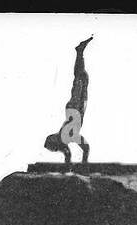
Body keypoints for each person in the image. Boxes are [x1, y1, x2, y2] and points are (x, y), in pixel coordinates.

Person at [43, 37, 92, 165]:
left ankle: (79, 51)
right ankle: (79, 52)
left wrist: (74, 162)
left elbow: (69, 151)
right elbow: (69, 151)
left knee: (80, 78)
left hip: (75, 108)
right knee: (83, 78)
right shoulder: (67, 137)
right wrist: (82, 162)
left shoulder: (65, 136)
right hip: (76, 109)